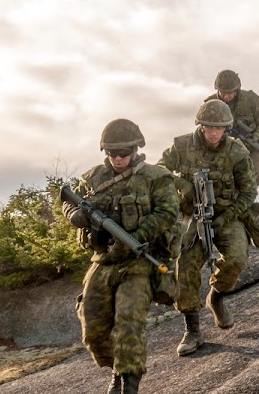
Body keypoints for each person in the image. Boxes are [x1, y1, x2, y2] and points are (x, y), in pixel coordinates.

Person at [64, 119, 179, 394]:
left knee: (129, 321)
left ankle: (129, 381)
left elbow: (166, 213)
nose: (118, 159)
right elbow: (68, 203)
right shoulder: (92, 179)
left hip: (138, 260)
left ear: (135, 149)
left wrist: (136, 238)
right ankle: (117, 366)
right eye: (112, 153)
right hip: (103, 260)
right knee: (92, 331)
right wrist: (75, 216)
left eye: (123, 153)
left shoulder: (156, 177)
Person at [158, 99, 257, 357]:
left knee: (236, 257)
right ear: (201, 126)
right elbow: (158, 171)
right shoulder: (182, 146)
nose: (214, 132)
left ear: (227, 128)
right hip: (193, 215)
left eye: (220, 127)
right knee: (186, 265)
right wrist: (182, 184)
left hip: (226, 214)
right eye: (209, 127)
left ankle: (216, 296)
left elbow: (248, 192)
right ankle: (192, 330)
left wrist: (229, 216)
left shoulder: (237, 153)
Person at [206, 69, 259, 175]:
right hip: (224, 149)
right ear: (217, 90)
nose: (227, 96)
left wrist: (256, 135)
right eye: (223, 93)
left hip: (255, 147)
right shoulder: (210, 106)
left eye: (230, 92)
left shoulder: (250, 100)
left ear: (237, 89)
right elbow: (205, 131)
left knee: (248, 174)